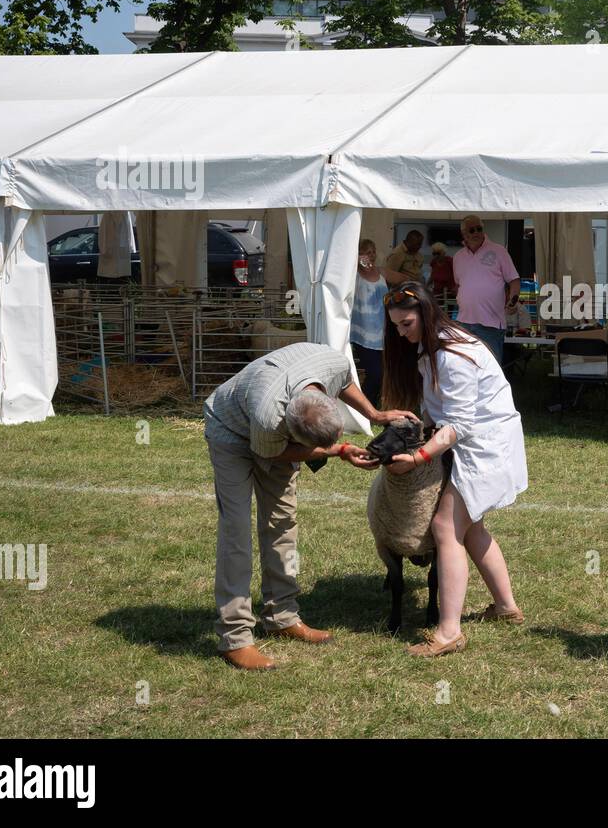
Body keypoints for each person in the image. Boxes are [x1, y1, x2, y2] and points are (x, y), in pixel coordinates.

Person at [203, 342, 417, 670]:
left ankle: (282, 616)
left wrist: (374, 414)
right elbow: (271, 453)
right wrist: (336, 452)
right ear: (290, 431)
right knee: (237, 532)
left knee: (282, 522)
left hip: (274, 431)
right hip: (230, 431)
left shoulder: (332, 363)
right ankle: (235, 637)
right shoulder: (268, 417)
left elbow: (345, 381)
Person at [382, 281, 528, 657]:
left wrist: (419, 457)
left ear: (426, 314)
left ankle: (449, 632)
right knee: (471, 526)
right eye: (396, 326)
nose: (401, 332)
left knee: (446, 526)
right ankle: (506, 607)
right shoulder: (433, 347)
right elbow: (441, 411)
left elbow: (459, 425)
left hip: (484, 447)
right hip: (474, 445)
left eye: (406, 324)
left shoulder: (452, 354)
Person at [451, 215, 520, 362]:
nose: (476, 232)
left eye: (479, 229)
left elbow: (514, 280)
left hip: (491, 324)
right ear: (464, 234)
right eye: (471, 230)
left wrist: (513, 302)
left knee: (491, 372)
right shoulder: (458, 257)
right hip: (464, 323)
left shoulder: (499, 251)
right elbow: (459, 285)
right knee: (465, 369)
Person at [351, 238, 391, 407]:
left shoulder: (381, 273)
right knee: (375, 373)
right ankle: (366, 408)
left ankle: (374, 405)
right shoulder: (353, 275)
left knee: (382, 374)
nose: (371, 255)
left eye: (373, 251)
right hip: (362, 334)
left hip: (382, 333)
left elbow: (405, 279)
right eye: (366, 252)